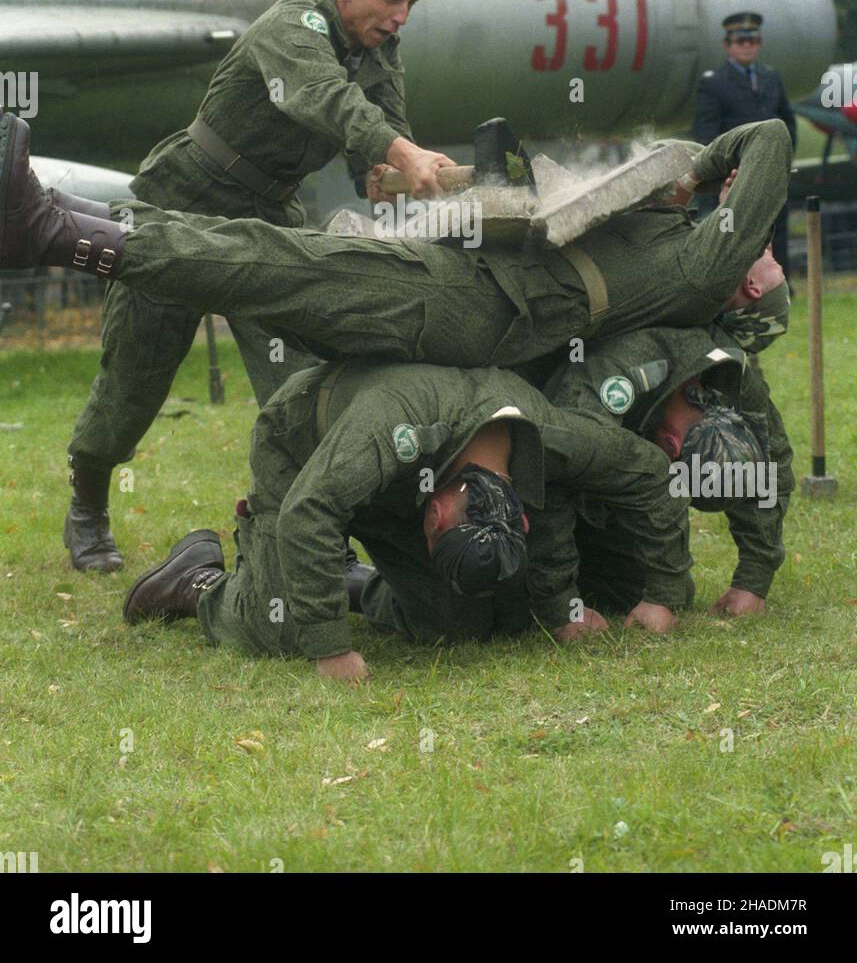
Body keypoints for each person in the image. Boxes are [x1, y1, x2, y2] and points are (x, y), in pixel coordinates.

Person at [60, 0, 454, 572]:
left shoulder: (382, 52)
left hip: (270, 216)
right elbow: (324, 98)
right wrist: (398, 151)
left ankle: (308, 538)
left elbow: (382, 137)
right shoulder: (295, 24)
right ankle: (88, 508)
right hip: (183, 200)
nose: (400, 16)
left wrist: (392, 173)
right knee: (134, 378)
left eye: (411, 2)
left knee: (299, 384)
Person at [1, 117, 792, 389]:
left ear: (748, 295)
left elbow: (767, 138)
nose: (766, 256)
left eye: (771, 267)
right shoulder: (680, 243)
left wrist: (700, 171)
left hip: (470, 305)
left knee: (266, 262)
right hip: (469, 281)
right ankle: (51, 215)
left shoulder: (703, 276)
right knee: (262, 252)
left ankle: (44, 230)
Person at [120, 359, 695, 681]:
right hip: (307, 455)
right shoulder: (390, 427)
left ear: (518, 517)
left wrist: (661, 595)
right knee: (283, 631)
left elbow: (650, 473)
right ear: (439, 512)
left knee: (458, 623)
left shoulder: (553, 437)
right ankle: (199, 584)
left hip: (401, 482)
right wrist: (330, 649)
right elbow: (308, 510)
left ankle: (340, 577)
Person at [542, 318, 793, 625]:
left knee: (639, 591)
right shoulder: (612, 381)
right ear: (671, 448)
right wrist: (563, 608)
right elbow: (550, 471)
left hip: (603, 484)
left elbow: (772, 465)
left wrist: (752, 582)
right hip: (527, 454)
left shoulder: (732, 382)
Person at [692, 11, 797, 282]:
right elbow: (707, 133)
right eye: (740, 41)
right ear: (727, 45)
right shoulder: (713, 81)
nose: (747, 46)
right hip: (736, 174)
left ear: (759, 43)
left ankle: (779, 284)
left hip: (772, 171)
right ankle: (741, 285)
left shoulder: (771, 77)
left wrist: (785, 160)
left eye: (752, 40)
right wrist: (722, 175)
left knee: (777, 226)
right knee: (737, 231)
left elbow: (787, 121)